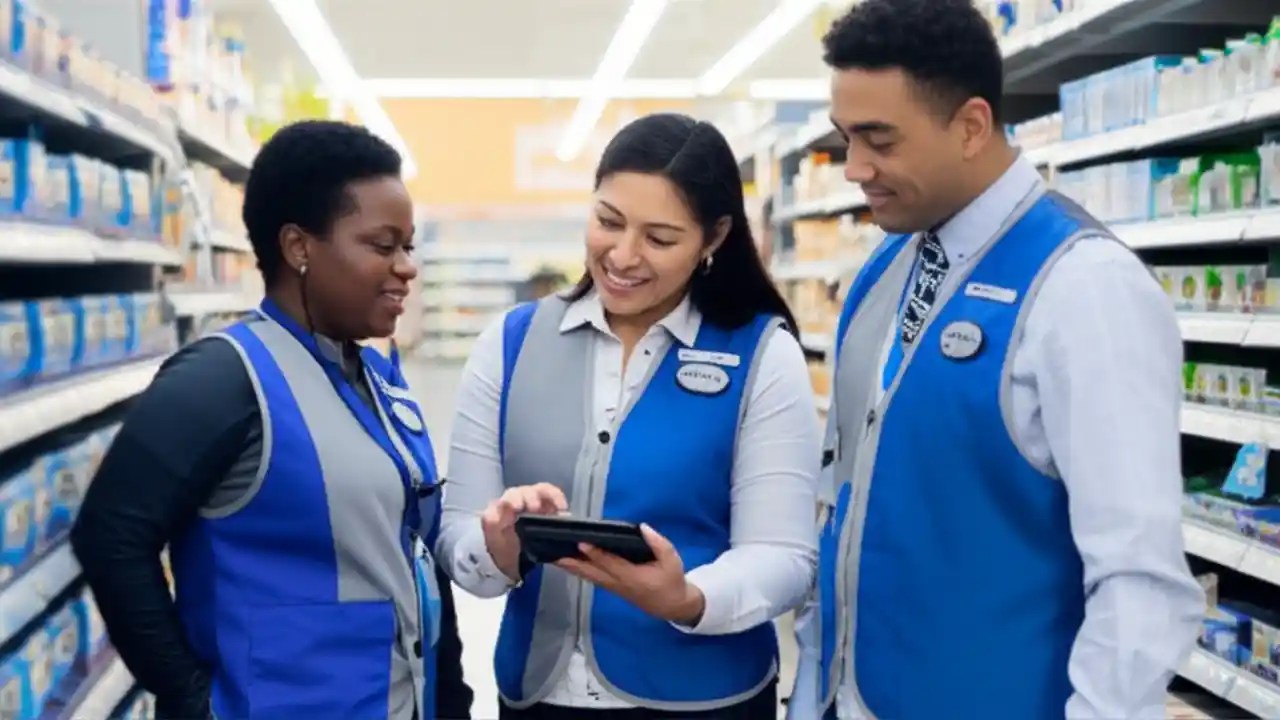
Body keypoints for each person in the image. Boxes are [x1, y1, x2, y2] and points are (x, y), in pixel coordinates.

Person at [787, 1, 1207, 718]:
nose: (855, 168)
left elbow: (1140, 583)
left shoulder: (1085, 288)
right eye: (845, 137)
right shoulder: (885, 268)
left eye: (879, 139)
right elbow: (846, 510)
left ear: (972, 126)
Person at [71, 120, 473, 720]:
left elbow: (413, 553)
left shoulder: (380, 379)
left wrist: (451, 698)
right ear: (298, 247)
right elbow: (110, 537)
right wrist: (188, 695)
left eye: (408, 247)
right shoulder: (224, 378)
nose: (406, 267)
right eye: (383, 245)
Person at [435, 113, 821, 719]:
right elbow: (459, 535)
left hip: (702, 701)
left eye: (660, 238)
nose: (622, 255)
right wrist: (498, 549)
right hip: (538, 698)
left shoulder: (763, 355)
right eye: (607, 222)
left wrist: (689, 598)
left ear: (713, 238)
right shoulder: (510, 344)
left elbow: (784, 554)